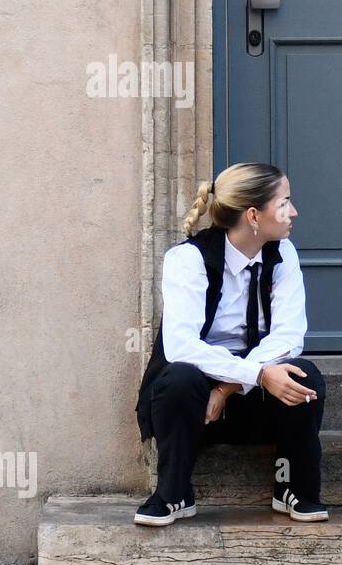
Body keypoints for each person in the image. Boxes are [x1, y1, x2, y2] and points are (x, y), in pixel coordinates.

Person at [133, 163, 328, 525]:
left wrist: (232, 385)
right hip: (197, 407)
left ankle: (293, 486)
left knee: (305, 377)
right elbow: (180, 346)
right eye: (285, 202)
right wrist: (246, 375)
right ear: (254, 215)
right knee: (179, 379)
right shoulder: (188, 259)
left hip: (246, 397)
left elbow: (288, 336)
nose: (294, 211)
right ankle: (172, 491)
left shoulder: (282, 254)